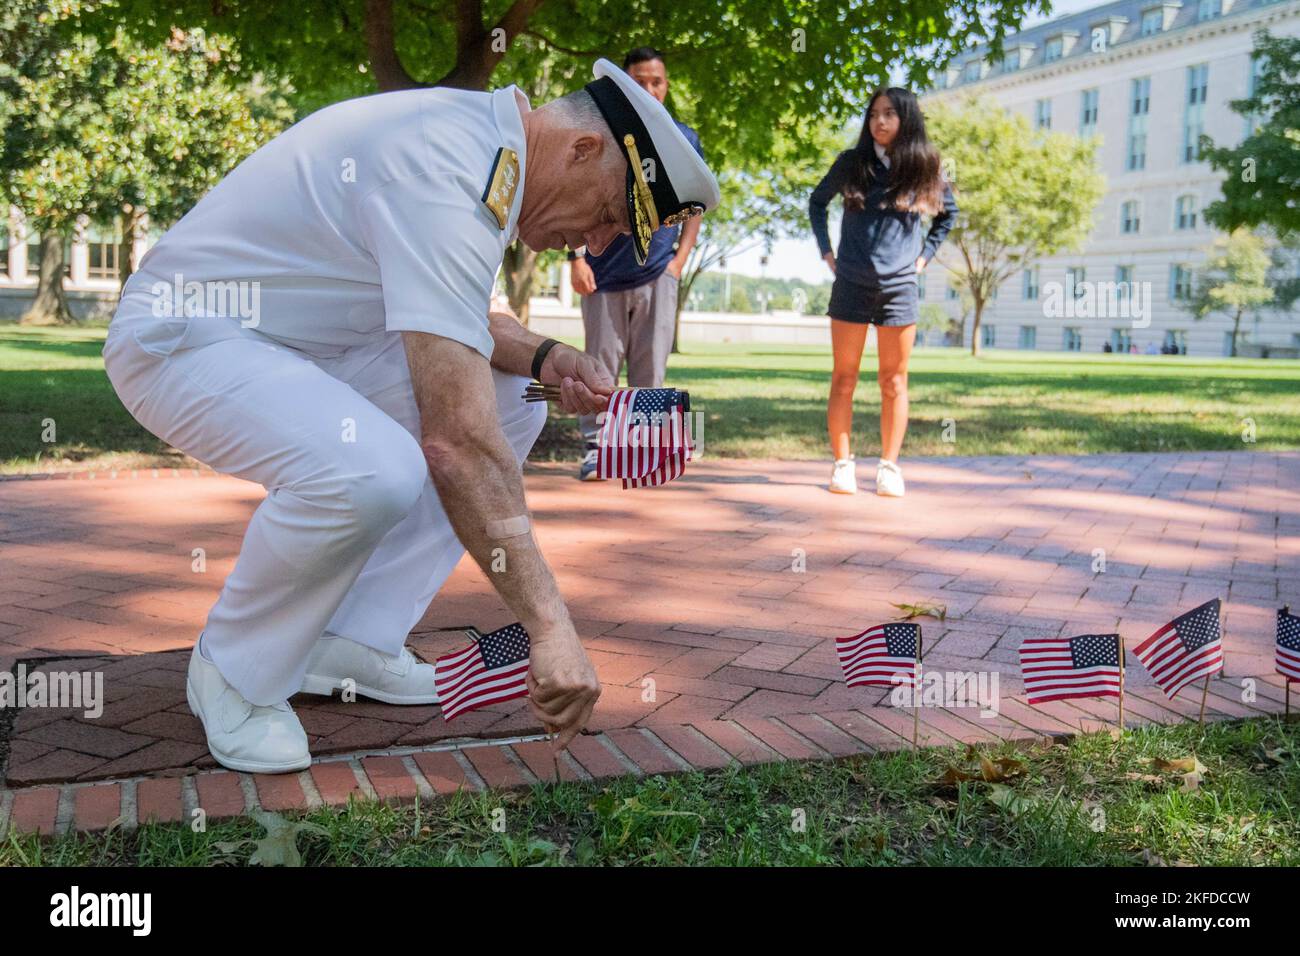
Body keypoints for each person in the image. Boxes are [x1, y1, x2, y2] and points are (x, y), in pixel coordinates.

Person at [101, 59, 720, 774]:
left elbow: (469, 321)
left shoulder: (487, 155)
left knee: (514, 396)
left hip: (298, 346)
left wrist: (549, 358)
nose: (600, 243)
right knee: (374, 471)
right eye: (611, 213)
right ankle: (234, 672)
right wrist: (550, 627)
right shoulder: (450, 167)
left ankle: (352, 639)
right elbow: (457, 441)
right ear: (583, 149)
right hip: (182, 339)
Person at [809, 87, 957, 498]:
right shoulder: (851, 163)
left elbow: (948, 216)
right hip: (851, 284)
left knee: (894, 381)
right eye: (874, 114)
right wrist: (827, 252)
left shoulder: (925, 165)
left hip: (899, 289)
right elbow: (817, 202)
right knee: (844, 378)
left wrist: (923, 259)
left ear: (906, 118)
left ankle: (890, 467)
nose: (880, 121)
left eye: (890, 114)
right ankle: (842, 464)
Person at [568, 47, 704, 480]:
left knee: (650, 369)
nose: (648, 89)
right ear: (623, 85)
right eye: (639, 81)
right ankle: (597, 449)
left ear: (666, 85)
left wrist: (679, 261)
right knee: (599, 368)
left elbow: (695, 203)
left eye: (656, 81)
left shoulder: (684, 138)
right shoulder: (600, 134)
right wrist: (575, 258)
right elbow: (572, 195)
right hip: (601, 273)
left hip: (657, 273)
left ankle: (642, 456)